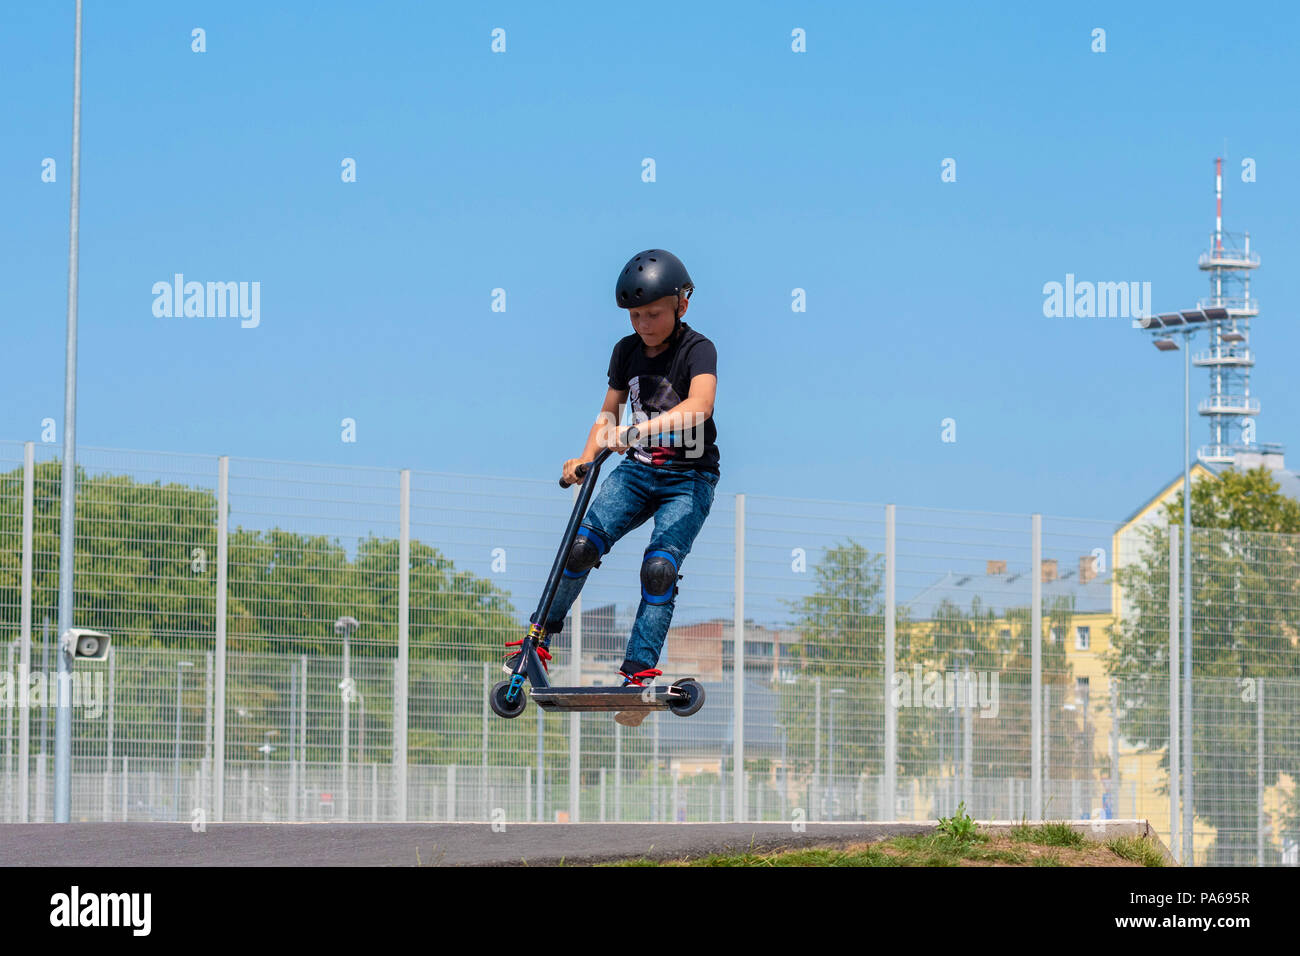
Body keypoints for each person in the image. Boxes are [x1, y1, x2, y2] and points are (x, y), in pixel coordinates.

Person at [506, 249, 720, 725]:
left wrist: (634, 433)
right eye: (635, 315)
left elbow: (700, 406)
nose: (644, 323)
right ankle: (535, 646)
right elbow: (608, 414)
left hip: (689, 478)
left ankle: (637, 674)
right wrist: (584, 459)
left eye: (654, 314)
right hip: (637, 472)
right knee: (581, 546)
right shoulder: (625, 351)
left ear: (682, 305)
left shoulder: (697, 349)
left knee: (659, 569)